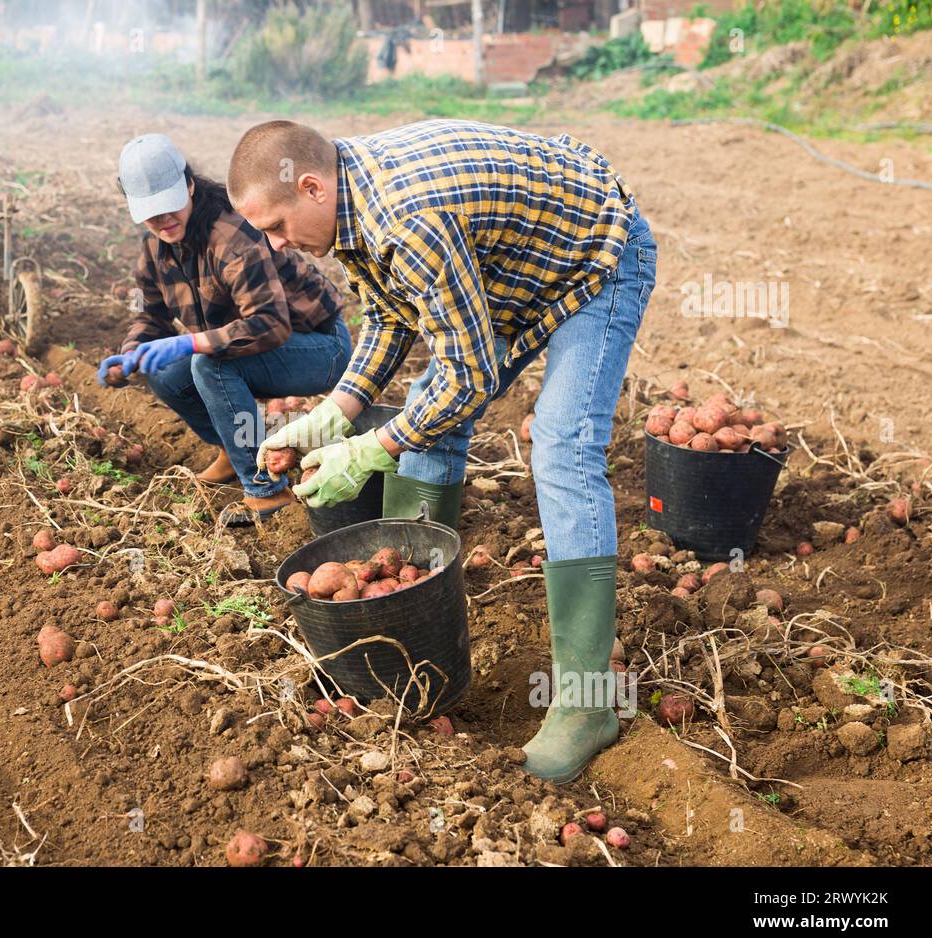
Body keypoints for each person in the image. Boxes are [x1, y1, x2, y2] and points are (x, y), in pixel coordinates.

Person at [227, 119, 658, 782]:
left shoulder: (409, 220)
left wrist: (373, 448)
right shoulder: (349, 207)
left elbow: (469, 374)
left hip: (594, 258)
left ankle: (585, 705)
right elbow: (391, 315)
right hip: (515, 272)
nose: (279, 246)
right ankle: (410, 620)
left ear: (310, 187)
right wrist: (333, 414)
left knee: (562, 449)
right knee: (434, 419)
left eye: (278, 227)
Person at [98, 133, 352, 525]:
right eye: (152, 213)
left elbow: (269, 325)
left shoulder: (232, 234)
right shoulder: (154, 250)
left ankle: (267, 489)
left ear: (189, 185)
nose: (163, 220)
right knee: (163, 371)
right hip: (253, 350)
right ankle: (232, 451)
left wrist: (193, 342)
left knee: (209, 364)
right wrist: (131, 354)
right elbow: (151, 317)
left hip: (320, 347)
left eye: (170, 206)